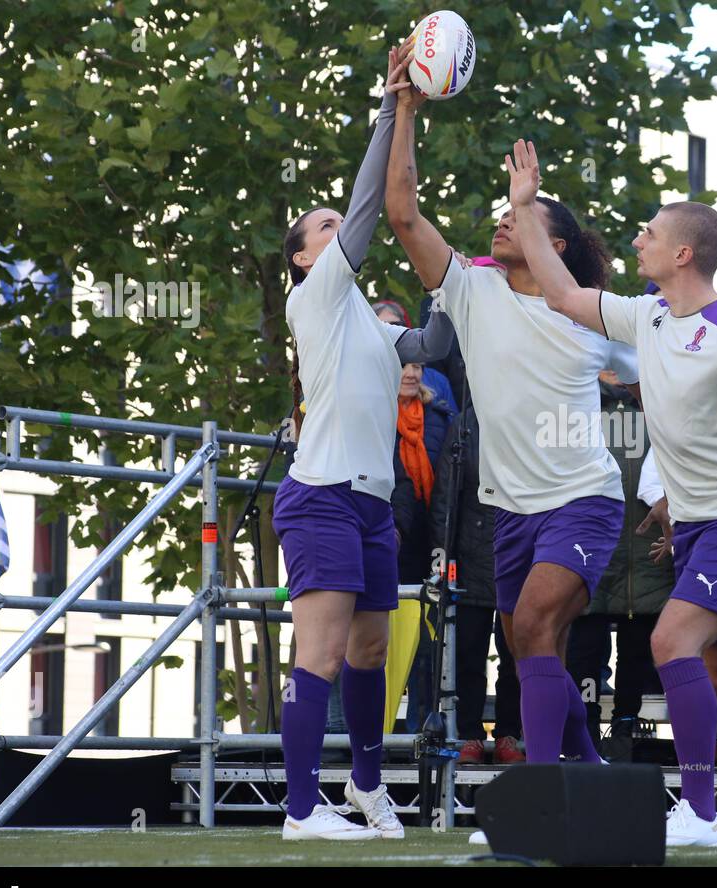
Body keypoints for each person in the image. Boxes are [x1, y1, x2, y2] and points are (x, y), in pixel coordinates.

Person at [505, 140, 717, 848]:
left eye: (650, 233)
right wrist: (526, 207)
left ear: (685, 254)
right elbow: (562, 293)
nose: (638, 239)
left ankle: (701, 811)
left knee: (669, 639)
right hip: (699, 524)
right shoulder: (648, 315)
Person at [385, 84, 638, 769]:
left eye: (519, 213)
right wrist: (404, 109)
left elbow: (666, 387)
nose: (501, 222)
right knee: (535, 648)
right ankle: (587, 774)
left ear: (552, 242)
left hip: (583, 499)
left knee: (530, 627)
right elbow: (402, 213)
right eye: (502, 211)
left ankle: (548, 782)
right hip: (509, 512)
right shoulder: (472, 289)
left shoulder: (594, 314)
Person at [273, 47, 454, 840]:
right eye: (322, 225)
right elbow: (375, 204)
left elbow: (440, 341)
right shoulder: (313, 299)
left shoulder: (379, 329)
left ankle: (365, 789)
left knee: (372, 653)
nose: (336, 223)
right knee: (317, 656)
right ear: (305, 258)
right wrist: (395, 109)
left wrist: (465, 275)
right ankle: (299, 808)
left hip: (374, 509)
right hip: (319, 501)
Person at [566, 370, 673, 760]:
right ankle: (583, 727)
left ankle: (627, 722)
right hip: (594, 542)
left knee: (637, 643)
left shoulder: (660, 405)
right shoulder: (580, 403)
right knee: (585, 645)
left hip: (648, 544)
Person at [431, 404, 524, 765]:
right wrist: (443, 555)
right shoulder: (466, 424)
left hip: (517, 553)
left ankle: (508, 735)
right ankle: (469, 734)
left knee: (515, 653)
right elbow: (445, 498)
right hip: (469, 558)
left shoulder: (532, 417)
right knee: (468, 652)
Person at [392, 362, 453, 732]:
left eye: (417, 365)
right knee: (371, 641)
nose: (412, 373)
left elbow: (449, 481)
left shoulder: (439, 416)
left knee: (426, 646)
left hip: (427, 543)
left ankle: (417, 734)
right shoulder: (371, 411)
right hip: (385, 538)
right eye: (403, 366)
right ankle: (360, 738)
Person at [374, 299, 457, 411]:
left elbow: (452, 421)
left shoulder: (437, 381)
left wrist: (441, 291)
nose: (410, 375)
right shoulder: (366, 381)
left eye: (397, 325)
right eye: (381, 326)